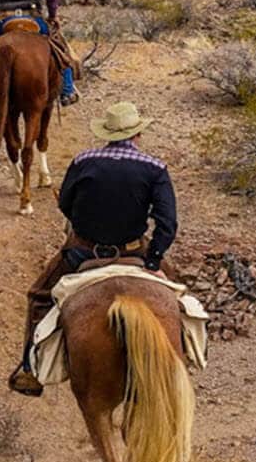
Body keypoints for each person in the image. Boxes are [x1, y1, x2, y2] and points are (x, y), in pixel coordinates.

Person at [9, 101, 176, 397]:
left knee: (38, 296)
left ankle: (30, 370)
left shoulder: (84, 160)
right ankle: (186, 358)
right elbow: (167, 222)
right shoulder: (155, 168)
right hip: (135, 250)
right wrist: (153, 260)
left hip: (84, 251)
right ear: (137, 134)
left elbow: (66, 205)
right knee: (178, 296)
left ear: (107, 134)